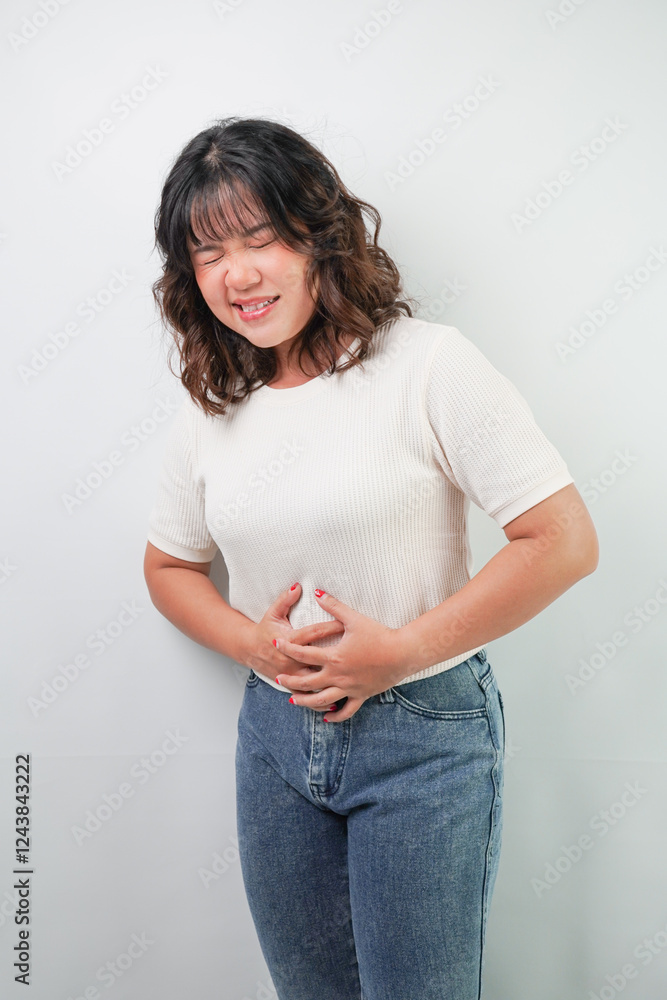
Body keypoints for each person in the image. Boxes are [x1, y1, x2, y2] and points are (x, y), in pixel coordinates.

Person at [143, 116, 599, 1000]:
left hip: (421, 732)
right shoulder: (212, 409)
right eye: (205, 254)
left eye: (258, 238)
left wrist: (399, 652)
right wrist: (249, 644)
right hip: (273, 739)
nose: (234, 274)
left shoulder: (427, 366)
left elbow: (562, 540)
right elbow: (168, 568)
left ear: (315, 236)